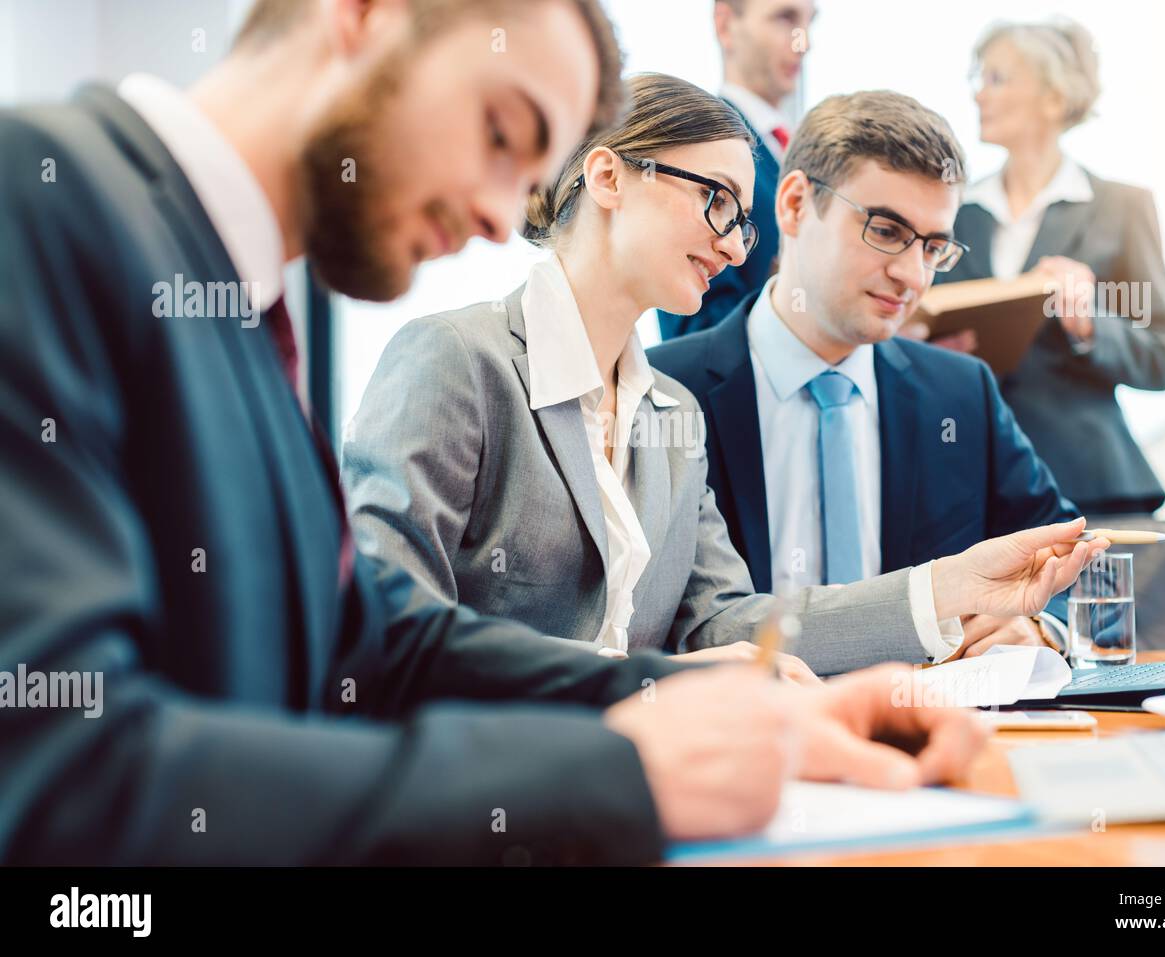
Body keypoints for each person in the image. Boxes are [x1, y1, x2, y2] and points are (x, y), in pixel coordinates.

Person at [0, 0, 1098, 865]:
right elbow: (56, 775)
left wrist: (731, 702)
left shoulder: (233, 306)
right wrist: (620, 774)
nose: (497, 212)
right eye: (504, 133)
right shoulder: (38, 203)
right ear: (366, 12)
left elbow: (377, 643)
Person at [341, 73, 1107, 678]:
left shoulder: (669, 410)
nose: (738, 249)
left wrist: (942, 590)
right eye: (716, 201)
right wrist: (653, 684)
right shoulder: (455, 360)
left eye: (742, 218)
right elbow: (384, 627)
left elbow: (724, 624)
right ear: (607, 176)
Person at [649, 90, 1082, 658]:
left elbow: (1068, 554)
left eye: (933, 247)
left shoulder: (962, 394)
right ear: (796, 205)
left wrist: (1039, 627)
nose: (911, 275)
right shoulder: (660, 392)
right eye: (885, 231)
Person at [926, 17, 1165, 516]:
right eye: (978, 80)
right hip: (965, 484)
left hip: (1088, 485)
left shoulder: (1121, 208)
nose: (980, 95)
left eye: (997, 79)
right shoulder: (949, 213)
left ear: (1053, 97)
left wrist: (1089, 325)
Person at [657, 0, 816, 341]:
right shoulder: (696, 145)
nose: (804, 42)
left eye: (809, 21)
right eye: (785, 17)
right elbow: (693, 326)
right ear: (726, 25)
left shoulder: (801, 150)